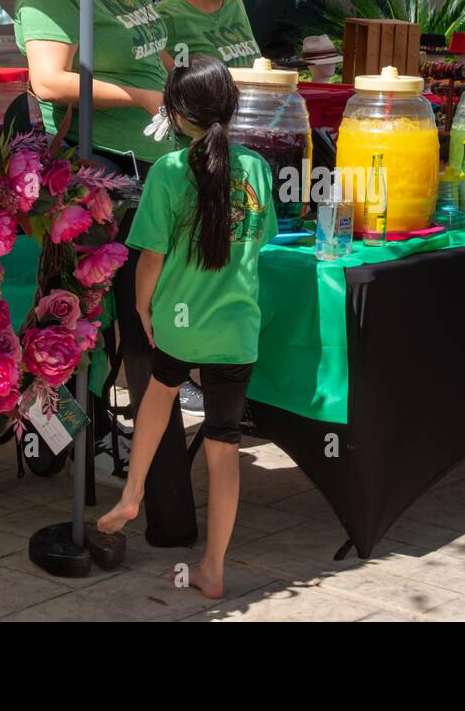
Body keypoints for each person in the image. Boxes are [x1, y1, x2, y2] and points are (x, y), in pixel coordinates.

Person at [96, 55, 277, 598]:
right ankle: (214, 569)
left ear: (175, 114)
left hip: (179, 321)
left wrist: (145, 309)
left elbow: (148, 258)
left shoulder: (169, 171)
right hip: (237, 328)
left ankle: (131, 492)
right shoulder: (258, 169)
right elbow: (261, 239)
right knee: (223, 448)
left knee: (159, 390)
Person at [14, 0, 176, 454]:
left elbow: (152, 44)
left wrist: (178, 88)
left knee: (148, 301)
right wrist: (140, 98)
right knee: (120, 308)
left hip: (159, 155)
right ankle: (71, 433)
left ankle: (119, 431)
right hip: (105, 166)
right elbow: (49, 81)